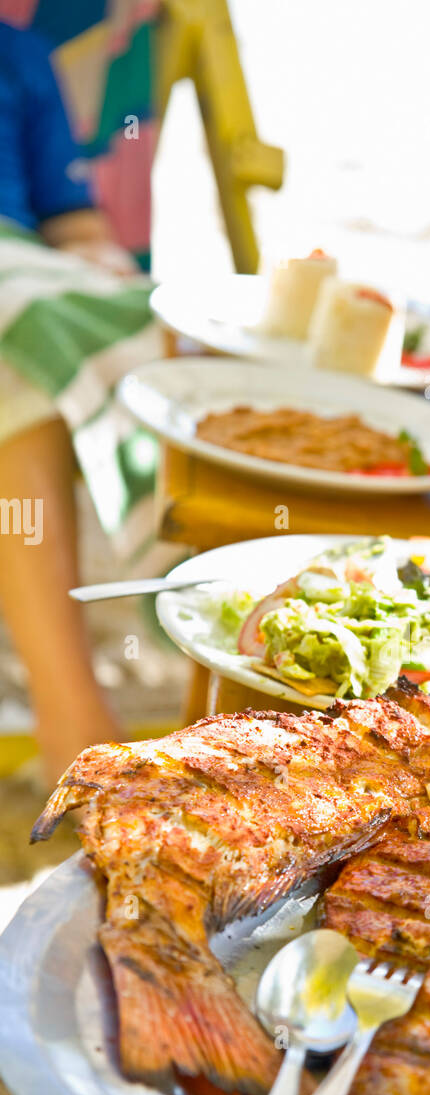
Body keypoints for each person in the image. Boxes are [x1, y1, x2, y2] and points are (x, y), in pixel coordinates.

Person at [0, 22, 148, 780]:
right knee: (18, 347)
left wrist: (109, 271)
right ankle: (73, 716)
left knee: (172, 333)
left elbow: (73, 219)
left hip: (26, 262)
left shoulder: (19, 52)